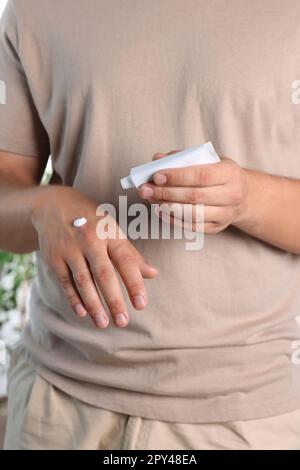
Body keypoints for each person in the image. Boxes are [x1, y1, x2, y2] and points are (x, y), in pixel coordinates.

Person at [1, 0, 300, 451]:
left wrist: (248, 198)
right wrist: (46, 207)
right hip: (58, 405)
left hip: (245, 415)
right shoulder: (33, 9)